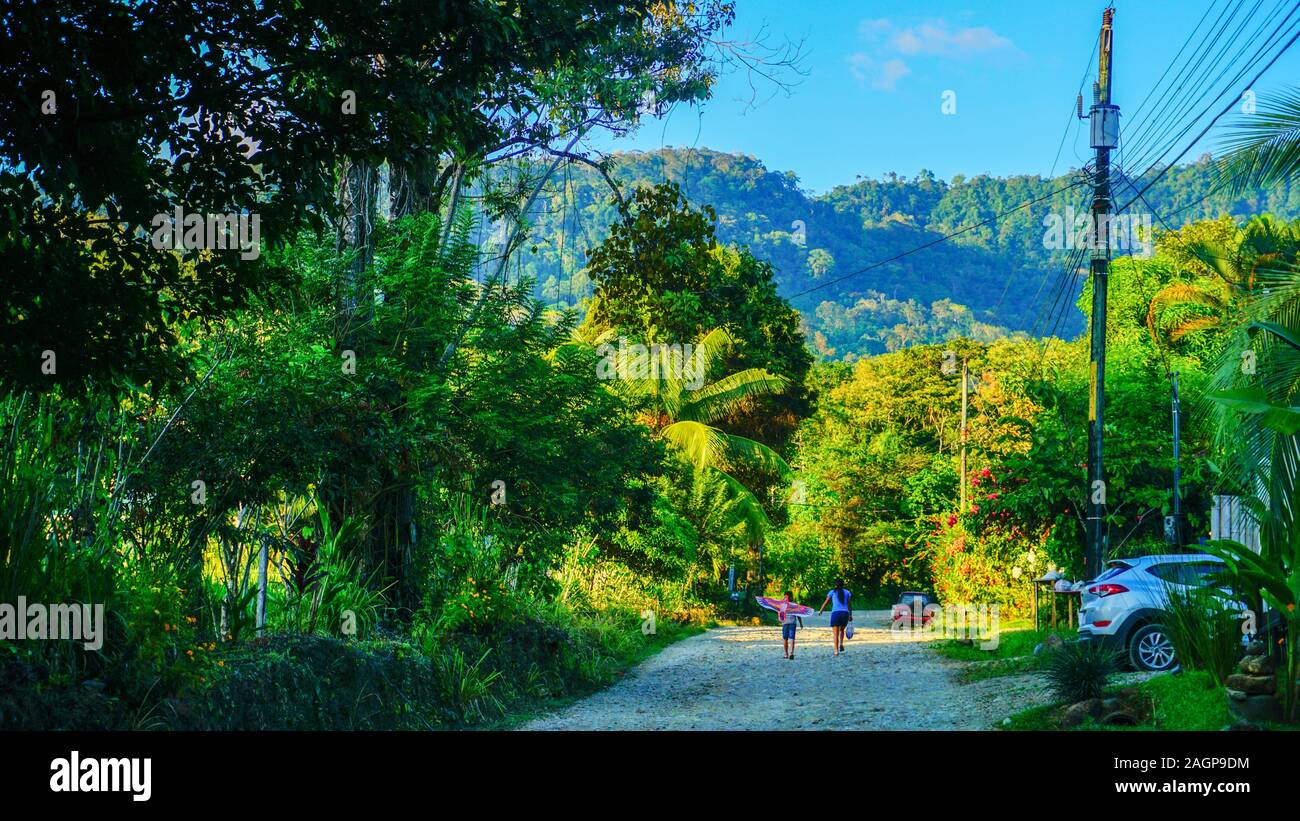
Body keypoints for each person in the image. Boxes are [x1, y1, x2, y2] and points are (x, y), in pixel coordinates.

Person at [818, 579, 853, 656]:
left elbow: (826, 602)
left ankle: (836, 651)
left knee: (835, 633)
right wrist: (850, 615)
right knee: (842, 630)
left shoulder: (832, 592)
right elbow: (849, 605)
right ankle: (841, 644)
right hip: (845, 613)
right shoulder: (847, 592)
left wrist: (821, 610)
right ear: (843, 584)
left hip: (836, 613)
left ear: (835, 585)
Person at [777, 591, 802, 660]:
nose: (785, 598)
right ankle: (790, 653)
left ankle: (787, 654)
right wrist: (801, 623)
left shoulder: (783, 605)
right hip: (791, 623)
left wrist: (780, 619)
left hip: (786, 623)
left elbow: (780, 613)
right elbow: (798, 615)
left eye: (786, 596)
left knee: (786, 638)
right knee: (790, 638)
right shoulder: (794, 604)